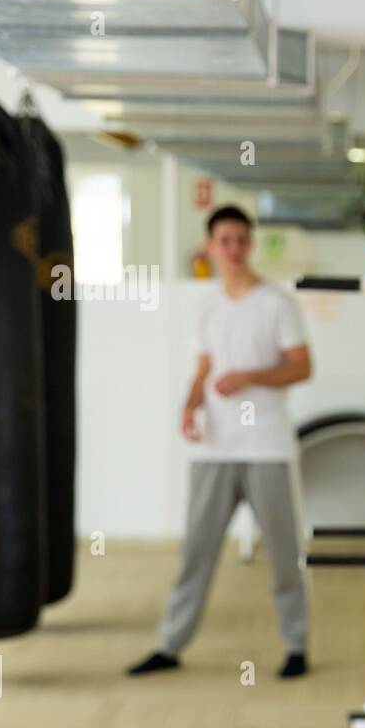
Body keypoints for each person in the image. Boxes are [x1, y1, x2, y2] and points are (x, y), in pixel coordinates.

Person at [128, 205, 313, 679]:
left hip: (266, 447)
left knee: (283, 553)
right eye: (223, 240)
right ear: (210, 247)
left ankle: (296, 645)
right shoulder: (206, 305)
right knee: (196, 553)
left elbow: (301, 365)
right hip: (214, 447)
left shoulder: (276, 302)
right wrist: (190, 405)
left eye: (239, 240)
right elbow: (205, 368)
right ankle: (170, 644)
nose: (232, 249)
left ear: (249, 244)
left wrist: (251, 376)